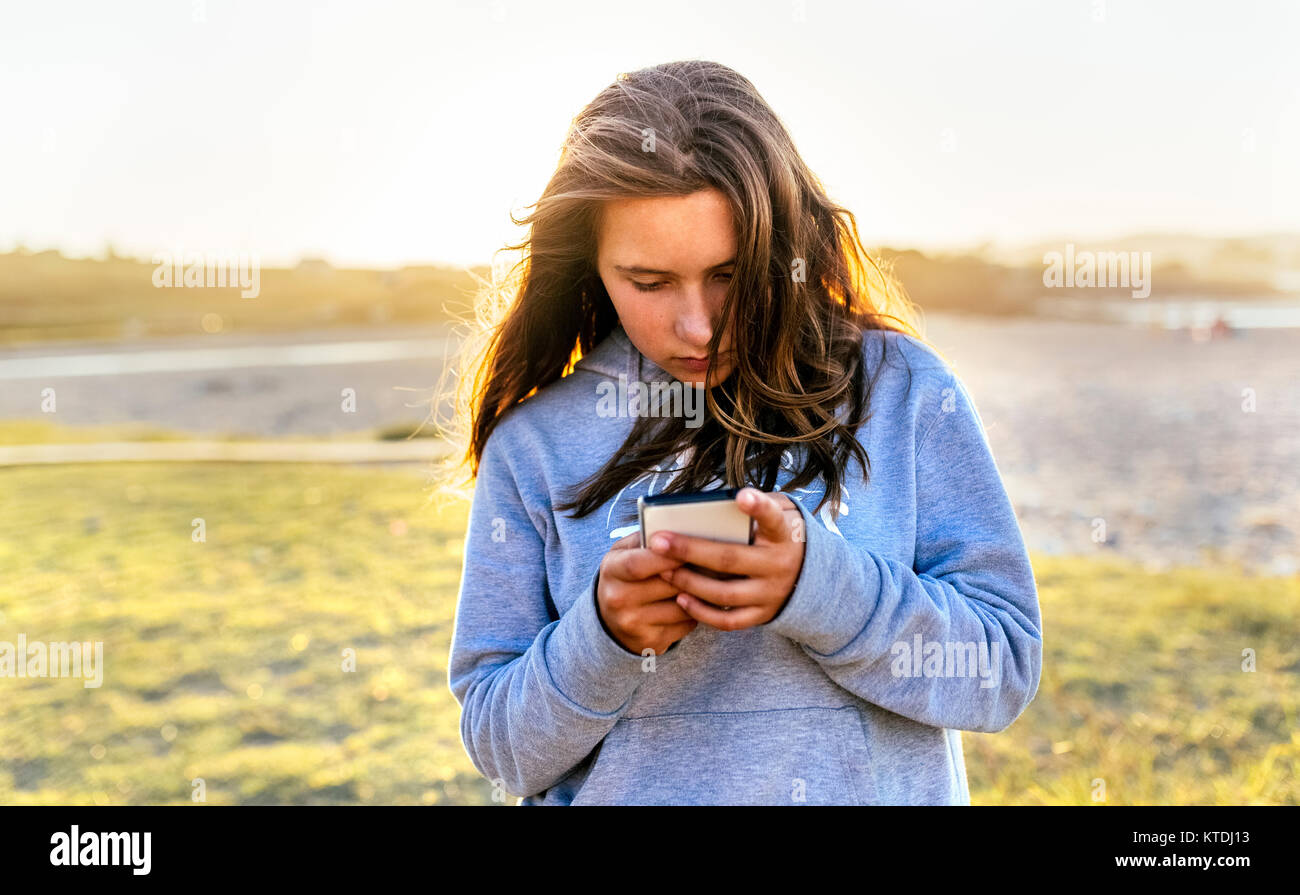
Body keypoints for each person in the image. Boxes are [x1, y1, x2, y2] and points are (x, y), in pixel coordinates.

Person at [438, 60, 1043, 805]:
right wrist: (603, 636)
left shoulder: (905, 394)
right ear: (590, 265)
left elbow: (1004, 669)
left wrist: (822, 588)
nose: (696, 326)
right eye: (649, 282)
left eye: (729, 273)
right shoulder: (535, 446)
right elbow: (502, 753)